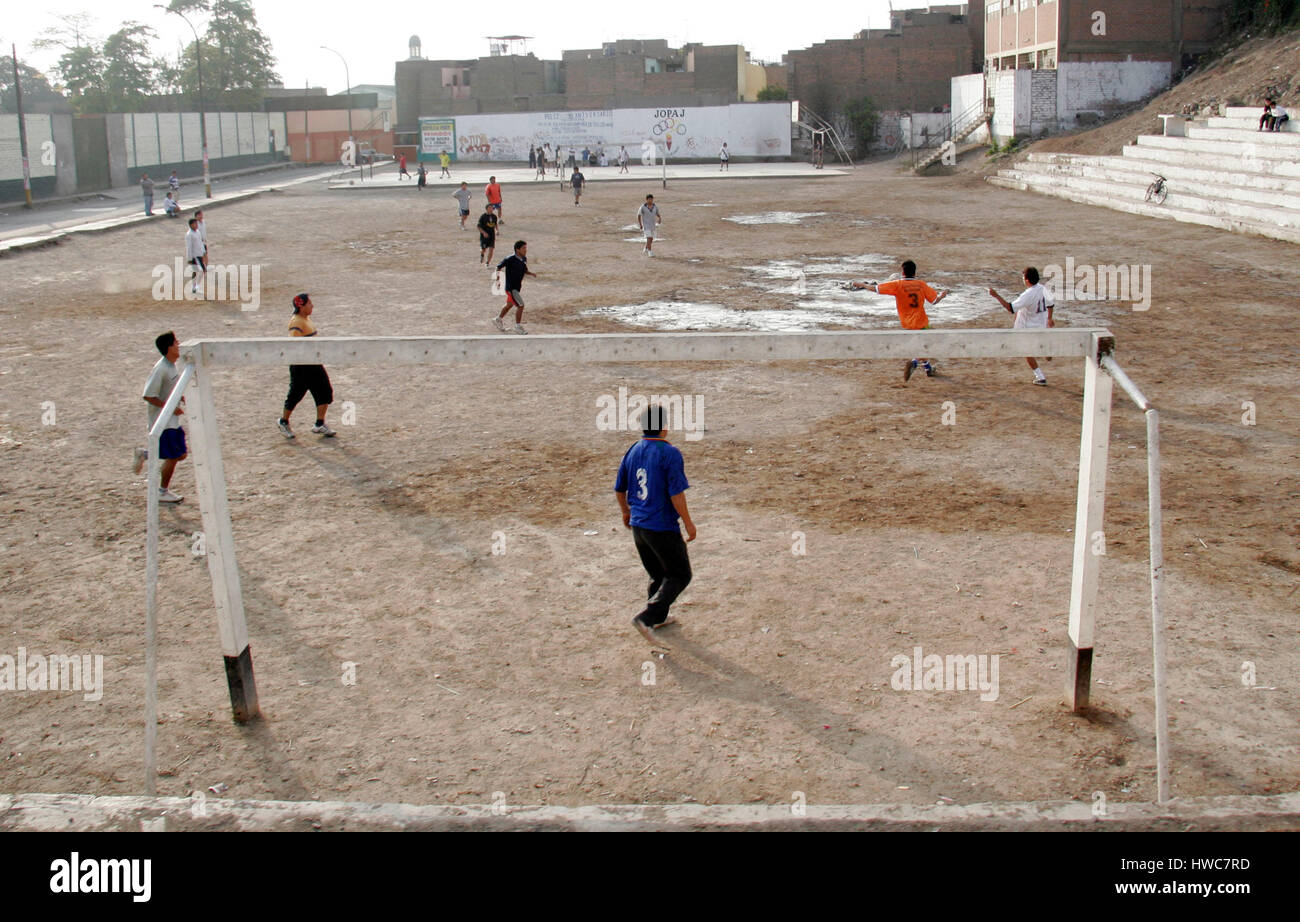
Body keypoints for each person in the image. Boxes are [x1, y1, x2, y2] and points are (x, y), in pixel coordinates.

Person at [615, 403, 696, 647]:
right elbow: (676, 494)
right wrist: (689, 524)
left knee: (658, 573)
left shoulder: (633, 449)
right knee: (681, 574)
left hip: (639, 526)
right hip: (661, 526)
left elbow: (620, 488)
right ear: (664, 427)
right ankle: (647, 617)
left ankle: (658, 618)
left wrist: (626, 513)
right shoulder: (669, 453)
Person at [850, 259, 950, 381]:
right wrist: (942, 295)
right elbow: (934, 301)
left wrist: (862, 285)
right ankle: (914, 363)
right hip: (920, 321)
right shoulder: (921, 284)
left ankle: (928, 369)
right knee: (927, 344)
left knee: (922, 344)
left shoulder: (897, 285)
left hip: (906, 323)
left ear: (903, 272)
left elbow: (876, 289)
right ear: (914, 272)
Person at [138, 331, 189, 503]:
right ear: (168, 347)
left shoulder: (172, 365)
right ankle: (162, 491)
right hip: (163, 422)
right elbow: (148, 396)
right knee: (174, 456)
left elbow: (170, 388)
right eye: (176, 342)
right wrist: (170, 408)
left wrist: (179, 397)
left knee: (181, 454)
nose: (179, 344)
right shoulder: (161, 369)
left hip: (171, 421)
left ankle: (145, 454)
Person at [278, 294, 336, 438]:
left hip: (313, 363)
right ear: (301, 306)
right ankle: (283, 421)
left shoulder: (306, 319)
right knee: (295, 395)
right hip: (302, 365)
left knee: (324, 391)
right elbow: (294, 344)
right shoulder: (296, 322)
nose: (312, 306)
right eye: (309, 304)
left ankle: (319, 424)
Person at [988, 266, 1055, 386]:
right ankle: (1046, 351)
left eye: (1023, 278)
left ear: (1027, 280)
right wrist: (1049, 318)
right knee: (1038, 345)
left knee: (1026, 350)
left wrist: (996, 295)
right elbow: (1050, 304)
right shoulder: (1043, 288)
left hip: (1028, 327)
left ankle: (1040, 376)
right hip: (1041, 324)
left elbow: (1010, 308)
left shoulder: (1028, 294)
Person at [493, 240, 537, 334]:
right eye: (523, 248)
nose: (526, 250)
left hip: (516, 287)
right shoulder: (510, 259)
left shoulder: (524, 258)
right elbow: (498, 267)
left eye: (526, 248)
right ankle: (518, 326)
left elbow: (524, 269)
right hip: (511, 288)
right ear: (517, 250)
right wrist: (497, 279)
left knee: (509, 304)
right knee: (521, 305)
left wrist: (531, 273)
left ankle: (498, 319)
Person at [185, 217, 206, 295]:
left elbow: (201, 243)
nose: (197, 225)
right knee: (199, 270)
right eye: (195, 224)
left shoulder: (197, 232)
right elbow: (189, 247)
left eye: (197, 223)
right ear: (191, 225)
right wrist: (190, 258)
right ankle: (195, 287)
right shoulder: (189, 235)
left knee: (200, 270)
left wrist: (203, 252)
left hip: (199, 254)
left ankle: (195, 287)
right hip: (194, 256)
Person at [477, 202, 498, 267]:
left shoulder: (494, 216)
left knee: (491, 249)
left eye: (492, 208)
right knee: (483, 249)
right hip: (484, 236)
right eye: (489, 208)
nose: (491, 209)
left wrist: (497, 230)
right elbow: (478, 226)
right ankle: (482, 255)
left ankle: (487, 262)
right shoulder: (483, 216)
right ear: (486, 209)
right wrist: (484, 233)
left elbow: (495, 224)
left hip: (492, 236)